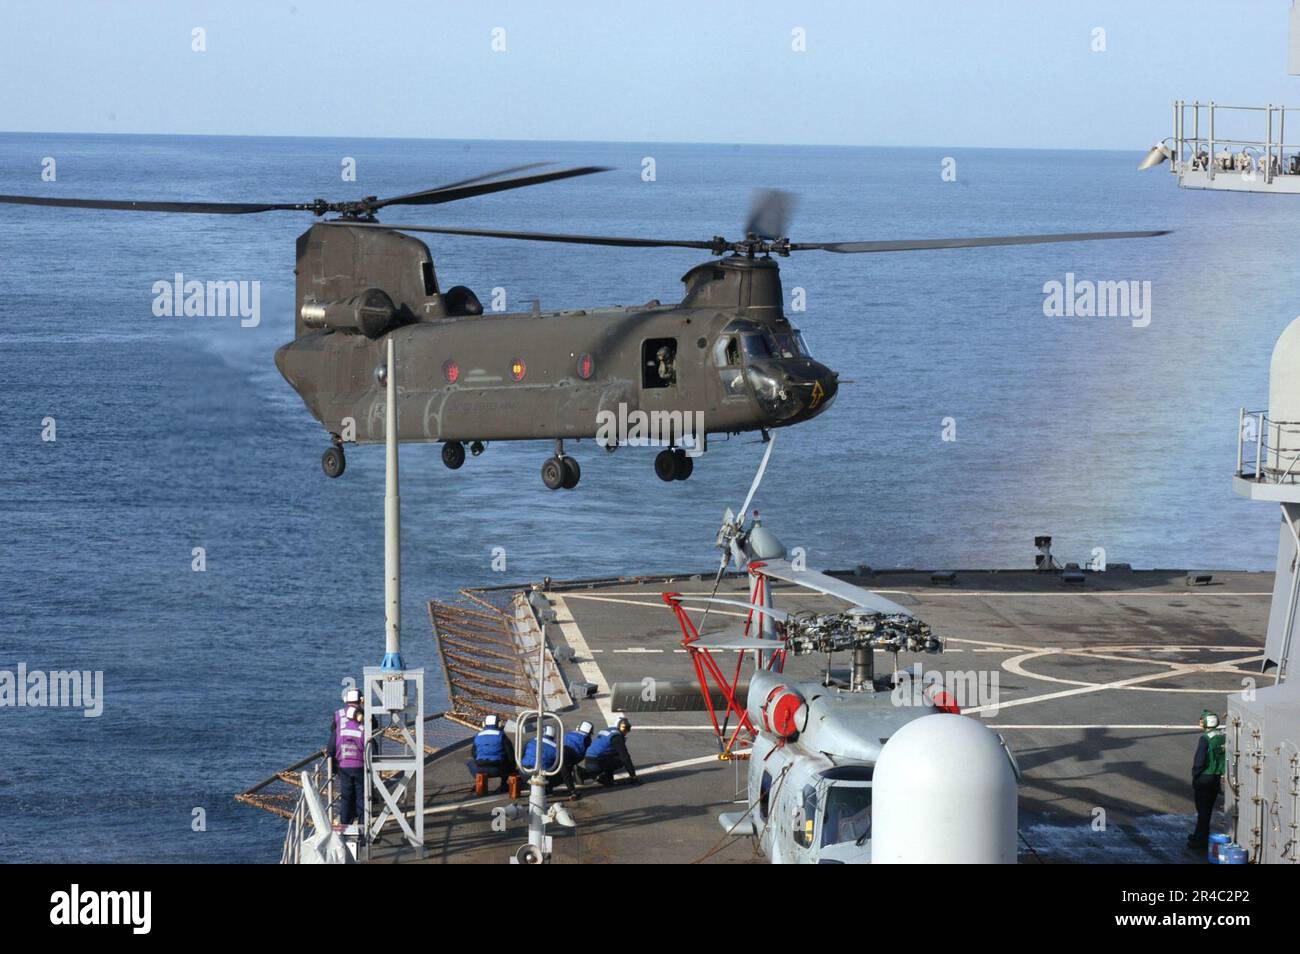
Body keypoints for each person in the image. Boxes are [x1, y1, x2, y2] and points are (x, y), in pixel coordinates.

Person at [327, 687, 367, 826]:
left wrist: (332, 761)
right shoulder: (365, 718)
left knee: (346, 797)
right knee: (361, 797)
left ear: (346, 700)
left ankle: (344, 824)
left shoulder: (338, 715)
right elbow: (372, 738)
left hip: (343, 764)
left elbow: (332, 743)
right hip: (360, 764)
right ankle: (363, 825)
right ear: (361, 700)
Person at [1188, 709, 1226, 850]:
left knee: (1202, 810)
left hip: (1205, 776)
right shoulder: (1221, 736)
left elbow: (1200, 760)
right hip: (1216, 777)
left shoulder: (1205, 738)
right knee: (1207, 809)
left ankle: (1200, 839)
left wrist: (1195, 774)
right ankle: (1199, 835)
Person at [580, 717, 638, 786]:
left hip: (589, 759)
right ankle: (603, 777)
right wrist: (633, 775)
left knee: (613, 755)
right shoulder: (617, 737)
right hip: (596, 762)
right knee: (620, 759)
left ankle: (585, 774)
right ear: (618, 726)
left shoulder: (608, 731)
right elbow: (625, 757)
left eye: (628, 728)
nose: (626, 731)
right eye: (624, 728)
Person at [468, 714, 515, 794]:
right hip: (498, 769)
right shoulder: (501, 736)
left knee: (470, 762)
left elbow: (473, 753)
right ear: (498, 724)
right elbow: (510, 753)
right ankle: (503, 785)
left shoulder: (478, 735)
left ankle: (479, 782)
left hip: (479, 769)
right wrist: (513, 768)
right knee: (508, 761)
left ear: (484, 724)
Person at [557, 721, 594, 801]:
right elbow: (584, 753)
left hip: (557, 751)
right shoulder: (586, 738)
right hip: (570, 754)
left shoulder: (571, 733)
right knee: (566, 771)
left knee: (561, 769)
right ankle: (572, 791)